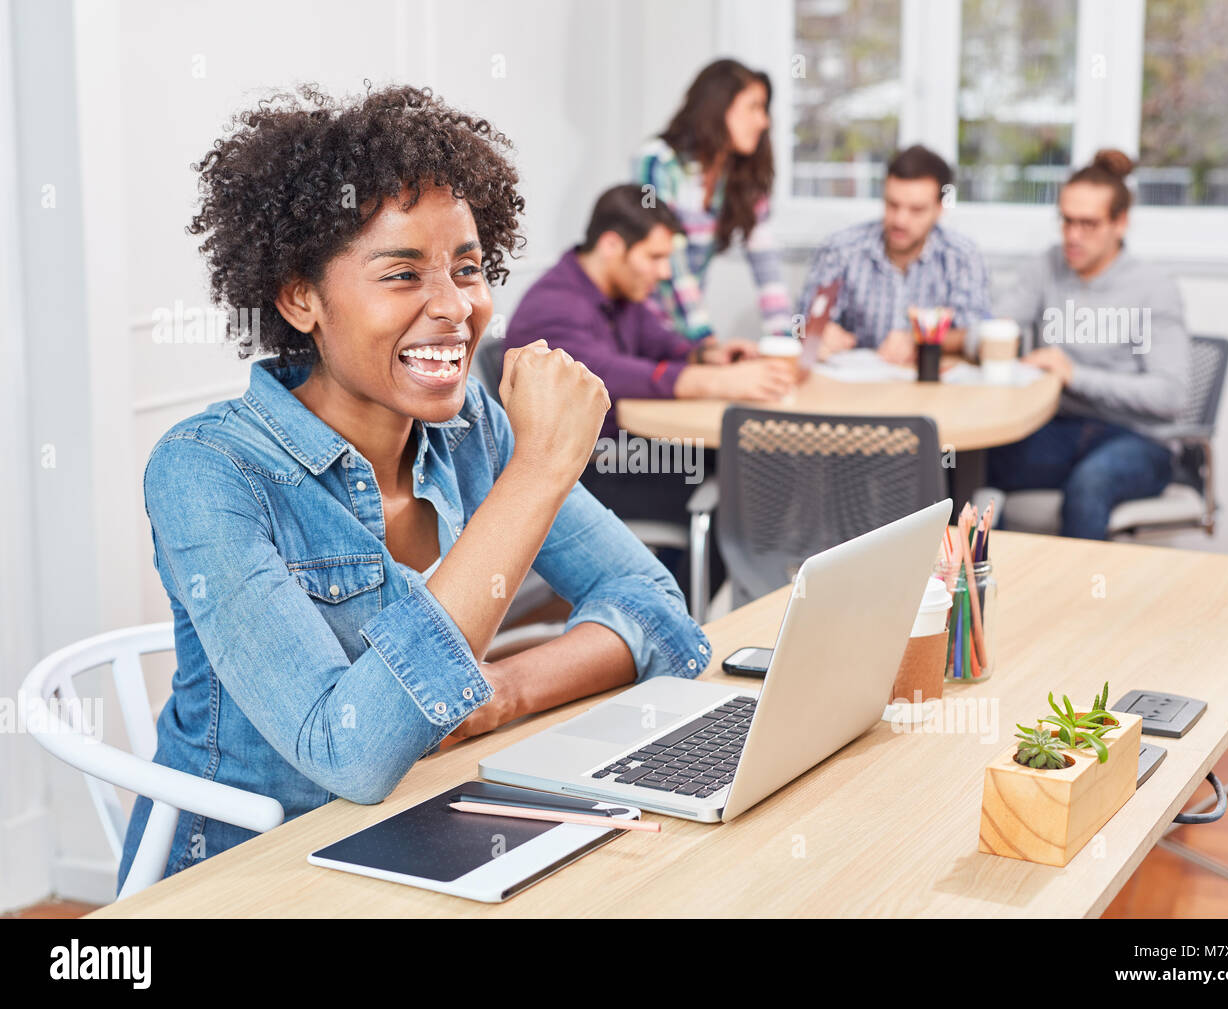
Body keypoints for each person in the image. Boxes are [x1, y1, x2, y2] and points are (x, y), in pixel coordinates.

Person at [115, 85, 710, 893]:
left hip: (427, 833)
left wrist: (498, 694)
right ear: (300, 297)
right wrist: (539, 470)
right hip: (250, 876)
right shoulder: (208, 470)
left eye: (468, 268)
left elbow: (656, 609)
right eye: (402, 274)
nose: (456, 307)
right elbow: (350, 752)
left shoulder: (477, 434)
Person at [505, 184, 794, 592]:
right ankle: (672, 615)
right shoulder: (556, 305)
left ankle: (664, 600)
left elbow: (660, 344)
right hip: (582, 470)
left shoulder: (616, 295)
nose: (663, 272)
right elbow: (610, 374)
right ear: (611, 245)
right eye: (655, 257)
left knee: (743, 471)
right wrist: (714, 381)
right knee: (741, 494)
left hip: (619, 452)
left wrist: (708, 355)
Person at [986, 149, 1190, 540]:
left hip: (1139, 440)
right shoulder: (1048, 265)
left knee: (1089, 485)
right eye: (1065, 221)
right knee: (961, 466)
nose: (1072, 236)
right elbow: (997, 324)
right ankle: (983, 590)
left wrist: (1074, 375)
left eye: (1088, 224)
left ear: (1120, 222)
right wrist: (970, 336)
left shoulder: (1153, 288)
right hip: (1059, 429)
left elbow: (1171, 394)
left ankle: (1084, 600)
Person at [634, 58, 793, 344]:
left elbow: (765, 259)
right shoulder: (659, 161)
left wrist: (784, 338)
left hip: (686, 336)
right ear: (717, 107)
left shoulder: (738, 176)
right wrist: (704, 339)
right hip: (642, 328)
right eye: (753, 107)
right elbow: (670, 255)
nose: (763, 121)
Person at [799, 145, 990, 362]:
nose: (900, 220)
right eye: (892, 205)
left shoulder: (962, 257)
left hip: (933, 390)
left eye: (916, 210)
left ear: (940, 208)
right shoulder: (840, 250)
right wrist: (812, 334)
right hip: (855, 388)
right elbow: (796, 324)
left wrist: (920, 340)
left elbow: (979, 334)